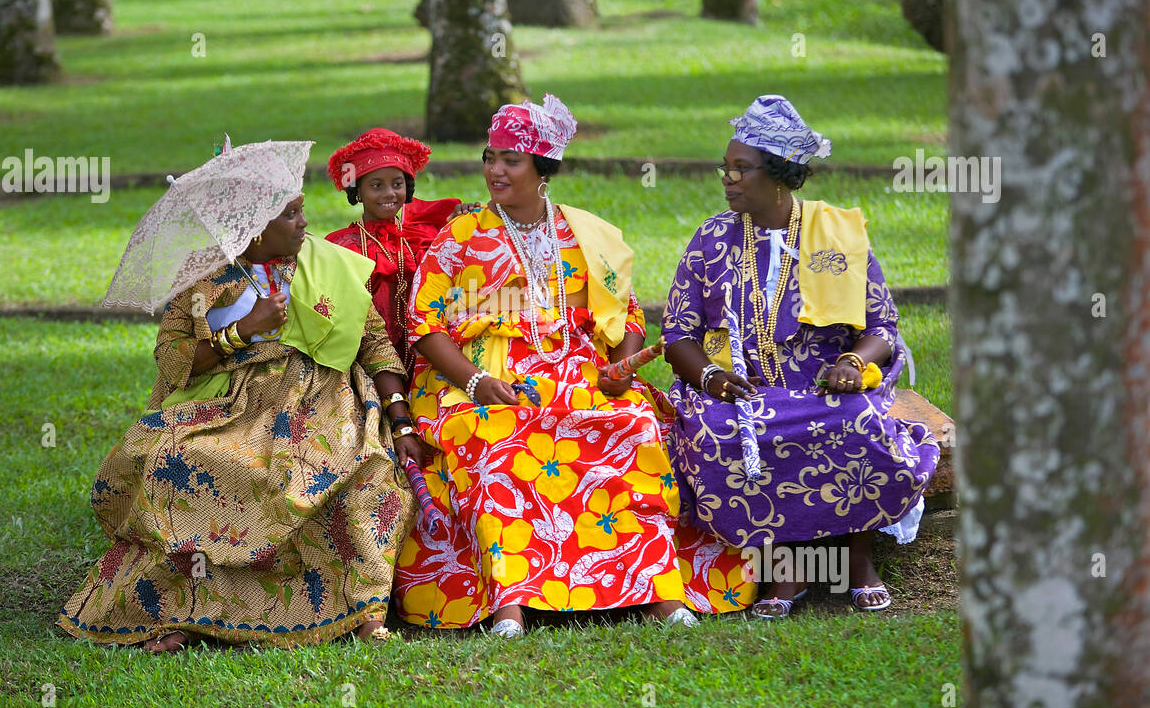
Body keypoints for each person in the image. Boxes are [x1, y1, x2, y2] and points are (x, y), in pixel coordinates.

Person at [58, 171, 424, 652]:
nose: (304, 222)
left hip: (325, 396)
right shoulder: (205, 276)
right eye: (290, 214)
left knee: (368, 471)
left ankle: (364, 609)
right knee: (174, 463)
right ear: (253, 228)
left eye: (301, 209)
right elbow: (172, 361)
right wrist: (243, 330)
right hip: (234, 401)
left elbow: (375, 344)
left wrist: (399, 417)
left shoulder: (328, 263)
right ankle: (183, 613)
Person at [392, 93, 708, 637]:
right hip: (481, 379)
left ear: (543, 168)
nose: (494, 170)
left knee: (632, 425)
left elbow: (625, 314)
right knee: (496, 441)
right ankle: (510, 601)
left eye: (510, 160)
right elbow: (424, 326)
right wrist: (475, 381)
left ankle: (658, 588)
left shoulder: (585, 235)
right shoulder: (462, 236)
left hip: (578, 372)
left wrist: (624, 367)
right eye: (489, 157)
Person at [662, 94, 941, 618]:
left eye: (741, 169)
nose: (728, 177)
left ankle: (858, 561)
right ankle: (786, 573)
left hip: (823, 384)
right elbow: (678, 332)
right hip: (739, 385)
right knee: (725, 432)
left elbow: (882, 326)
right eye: (726, 166)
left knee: (855, 420)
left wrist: (853, 364)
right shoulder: (712, 239)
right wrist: (711, 378)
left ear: (779, 174)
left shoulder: (836, 234)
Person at [325, 128, 479, 371]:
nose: (389, 193)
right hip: (369, 362)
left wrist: (464, 221)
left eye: (397, 184)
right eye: (376, 185)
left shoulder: (425, 236)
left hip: (426, 356)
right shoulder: (345, 247)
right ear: (358, 192)